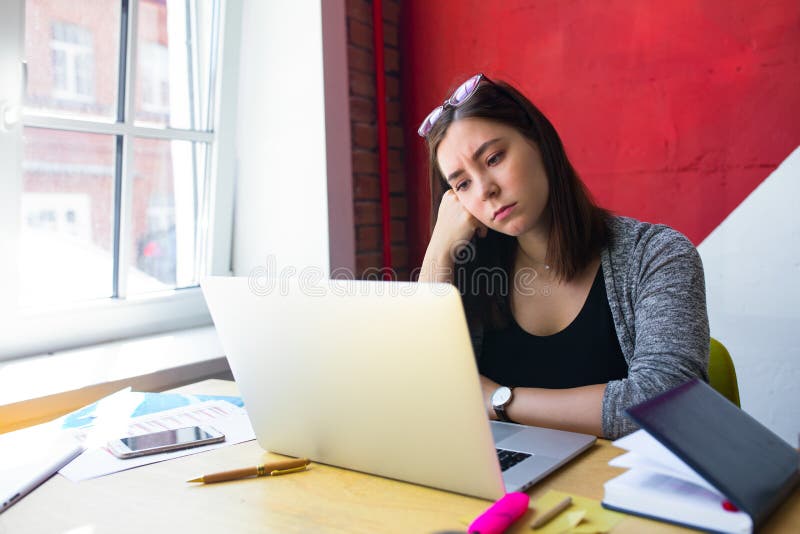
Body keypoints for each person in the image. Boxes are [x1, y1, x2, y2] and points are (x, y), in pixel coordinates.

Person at [417, 73, 709, 439]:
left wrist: (498, 400)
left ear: (539, 142)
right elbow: (423, 393)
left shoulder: (657, 256)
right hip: (503, 481)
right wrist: (438, 251)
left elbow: (669, 405)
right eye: (462, 184)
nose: (486, 190)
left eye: (493, 158)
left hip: (619, 488)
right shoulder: (472, 272)